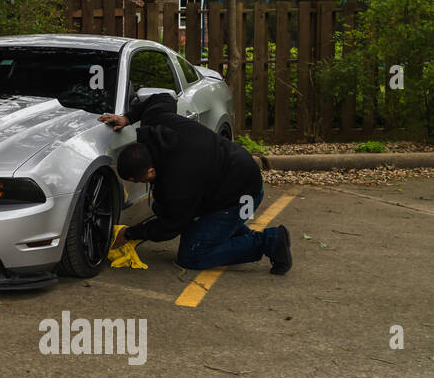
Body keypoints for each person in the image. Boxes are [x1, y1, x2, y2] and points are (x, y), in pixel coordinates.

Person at [98, 91, 292, 274]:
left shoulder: (179, 179)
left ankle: (270, 241)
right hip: (224, 180)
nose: (142, 183)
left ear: (151, 170)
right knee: (161, 206)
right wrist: (128, 118)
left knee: (192, 255)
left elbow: (171, 226)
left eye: (141, 180)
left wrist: (130, 234)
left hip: (245, 195)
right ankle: (228, 232)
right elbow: (163, 98)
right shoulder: (156, 123)